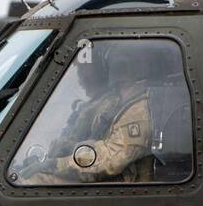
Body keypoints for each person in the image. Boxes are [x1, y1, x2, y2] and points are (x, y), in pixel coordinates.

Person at [18, 44, 157, 185]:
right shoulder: (114, 101)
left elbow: (112, 159)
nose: (117, 67)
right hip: (99, 177)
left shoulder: (139, 110)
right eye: (115, 62)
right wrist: (67, 148)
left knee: (35, 182)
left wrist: (57, 164)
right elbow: (94, 139)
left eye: (123, 63)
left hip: (119, 187)